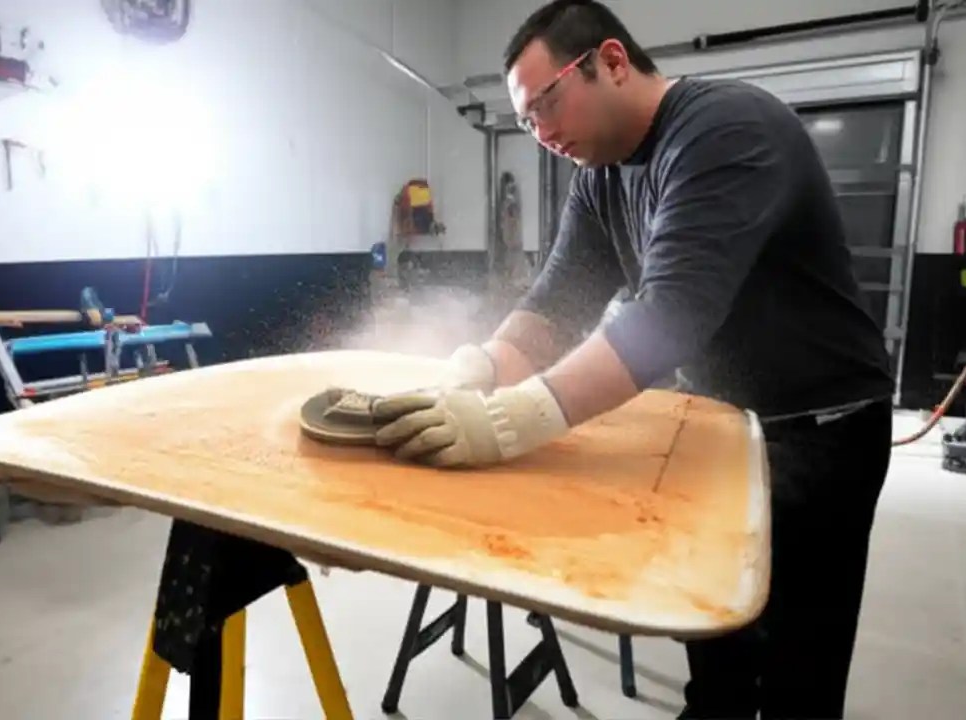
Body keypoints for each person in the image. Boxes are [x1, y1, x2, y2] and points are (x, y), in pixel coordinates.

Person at [369, 0, 894, 717]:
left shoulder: (727, 131)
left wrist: (506, 423)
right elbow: (556, 305)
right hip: (721, 428)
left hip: (820, 429)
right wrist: (478, 369)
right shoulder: (601, 176)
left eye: (547, 103)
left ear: (611, 62)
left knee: (800, 665)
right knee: (716, 640)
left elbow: (669, 319)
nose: (542, 133)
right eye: (526, 121)